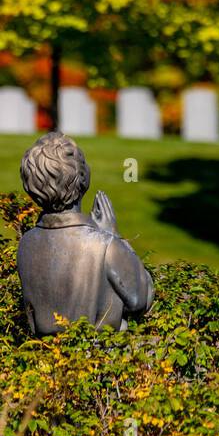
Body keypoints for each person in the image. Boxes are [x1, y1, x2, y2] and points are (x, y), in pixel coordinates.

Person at [17, 132, 154, 336]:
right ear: (83, 178)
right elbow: (140, 299)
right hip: (98, 358)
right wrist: (114, 236)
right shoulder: (103, 245)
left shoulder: (26, 243)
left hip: (42, 357)